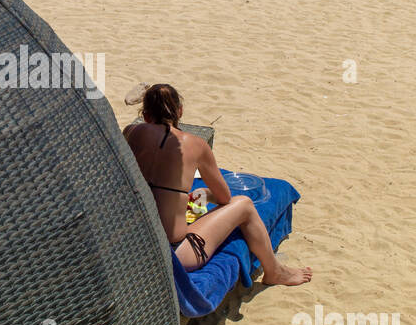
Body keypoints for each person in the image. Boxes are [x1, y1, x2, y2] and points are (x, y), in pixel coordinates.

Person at [123, 83, 311, 286]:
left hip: (134, 243)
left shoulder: (131, 132)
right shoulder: (195, 145)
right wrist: (207, 194)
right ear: (180, 111)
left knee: (187, 196)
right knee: (244, 205)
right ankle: (275, 271)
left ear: (145, 114)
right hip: (173, 252)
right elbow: (224, 197)